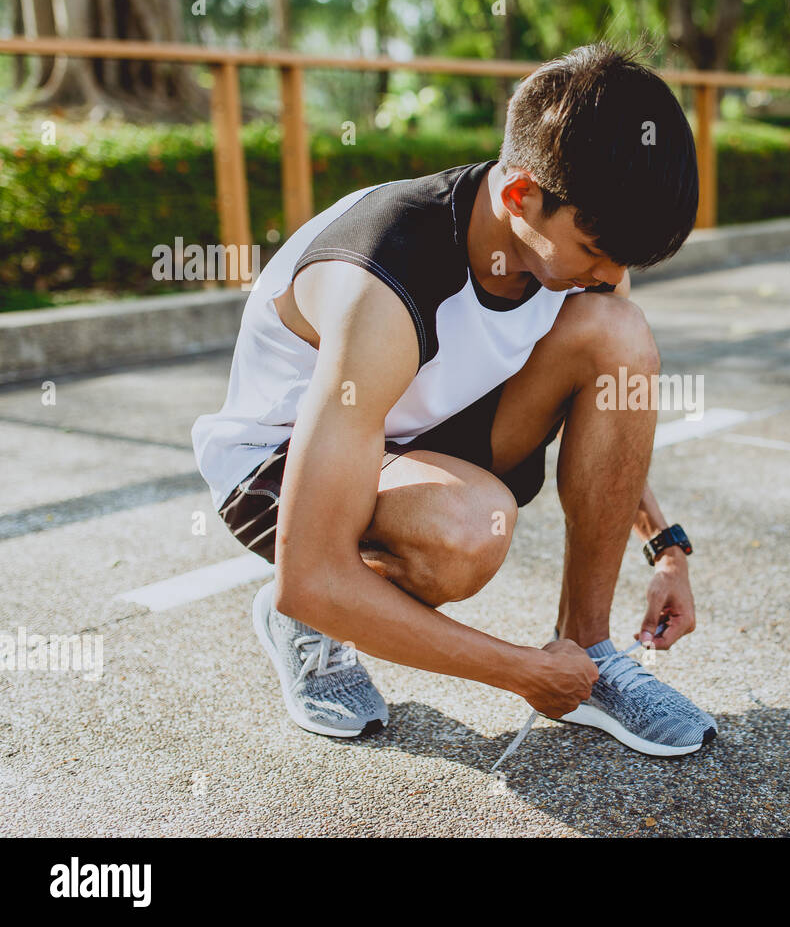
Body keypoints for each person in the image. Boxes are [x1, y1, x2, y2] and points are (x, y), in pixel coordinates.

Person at [191, 41, 716, 757]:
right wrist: (524, 674)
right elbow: (309, 575)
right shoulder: (383, 279)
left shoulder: (574, 251)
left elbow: (610, 385)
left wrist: (665, 546)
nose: (611, 270)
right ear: (518, 196)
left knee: (620, 335)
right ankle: (311, 634)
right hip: (281, 465)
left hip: (425, 424)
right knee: (468, 529)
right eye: (597, 248)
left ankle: (590, 652)